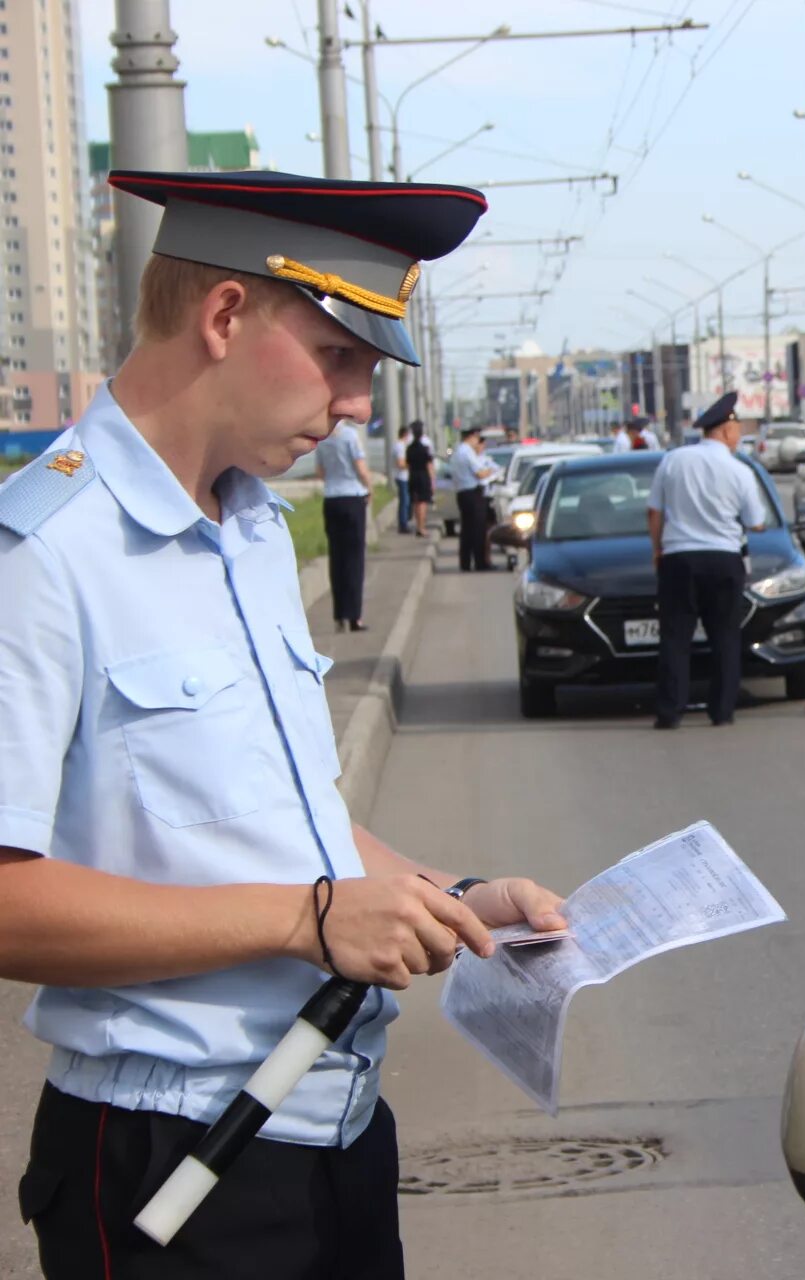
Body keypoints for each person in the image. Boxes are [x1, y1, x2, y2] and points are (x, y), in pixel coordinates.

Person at [0, 169, 566, 1278]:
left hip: (334, 1129)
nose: (358, 403)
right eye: (340, 357)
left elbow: (280, 813)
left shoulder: (250, 527)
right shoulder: (45, 553)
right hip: (176, 1159)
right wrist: (308, 919)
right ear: (224, 316)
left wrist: (451, 901)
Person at [646, 391, 768, 730]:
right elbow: (756, 521)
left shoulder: (673, 460)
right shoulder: (739, 469)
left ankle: (670, 712)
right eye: (738, 428)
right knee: (725, 637)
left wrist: (657, 550)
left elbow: (654, 511)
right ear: (726, 430)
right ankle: (722, 711)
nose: (739, 435)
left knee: (675, 637)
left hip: (679, 558)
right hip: (724, 559)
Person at [313, 414, 373, 632]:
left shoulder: (322, 438)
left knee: (336, 558)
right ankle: (354, 616)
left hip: (331, 499)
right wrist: (370, 487)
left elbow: (319, 472)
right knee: (354, 559)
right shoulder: (350, 436)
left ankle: (339, 615)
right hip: (352, 497)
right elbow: (360, 467)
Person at [449, 423, 498, 570]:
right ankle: (480, 562)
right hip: (473, 494)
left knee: (467, 530)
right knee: (478, 530)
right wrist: (493, 471)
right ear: (472, 437)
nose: (478, 441)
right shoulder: (467, 452)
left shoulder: (458, 452)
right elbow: (480, 473)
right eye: (478, 437)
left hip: (463, 493)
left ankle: (465, 563)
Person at [405, 421, 435, 539]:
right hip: (423, 476)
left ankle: (418, 525)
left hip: (412, 476)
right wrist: (433, 481)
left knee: (416, 502)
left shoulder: (409, 448)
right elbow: (429, 465)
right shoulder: (425, 449)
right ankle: (421, 528)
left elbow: (407, 464)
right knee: (423, 503)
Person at [390, 426, 411, 534]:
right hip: (402, 477)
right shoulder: (400, 446)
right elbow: (401, 463)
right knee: (404, 501)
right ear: (405, 434)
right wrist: (412, 465)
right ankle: (403, 525)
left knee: (405, 501)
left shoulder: (398, 445)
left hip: (401, 477)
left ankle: (404, 523)